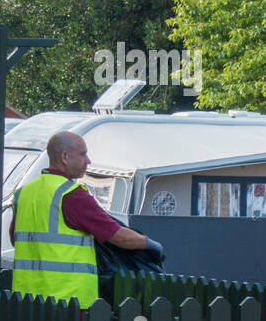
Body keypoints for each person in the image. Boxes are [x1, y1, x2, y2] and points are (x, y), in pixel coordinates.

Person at [10, 130, 162, 304]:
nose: (88, 161)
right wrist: (150, 244)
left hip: (26, 298)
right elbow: (119, 237)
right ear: (65, 157)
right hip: (67, 300)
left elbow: (16, 239)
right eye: (83, 154)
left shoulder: (24, 193)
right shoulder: (71, 195)